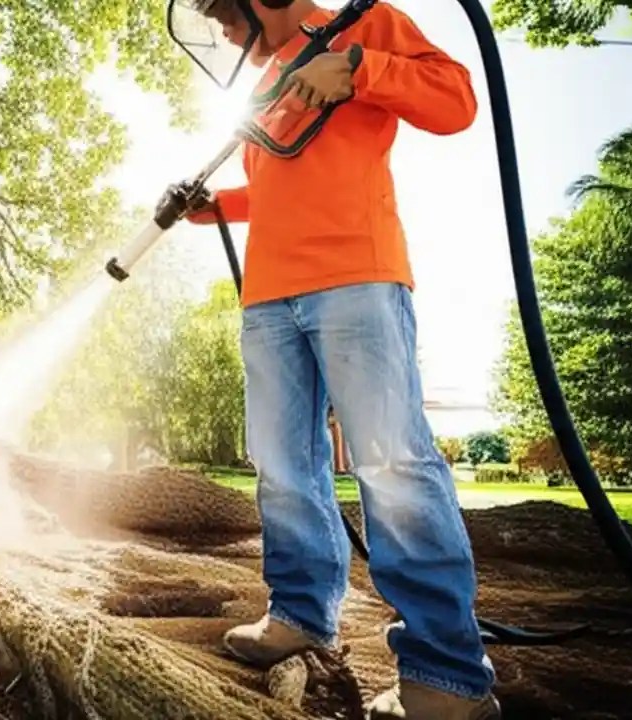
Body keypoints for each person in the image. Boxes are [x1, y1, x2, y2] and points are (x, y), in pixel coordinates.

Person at [181, 1, 501, 718]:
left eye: (225, 14)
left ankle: (447, 676)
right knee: (283, 463)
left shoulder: (365, 25)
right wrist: (213, 206)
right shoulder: (265, 78)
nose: (225, 33)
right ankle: (299, 613)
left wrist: (359, 69)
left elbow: (456, 102)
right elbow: (279, 183)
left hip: (357, 277)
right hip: (269, 296)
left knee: (392, 464)